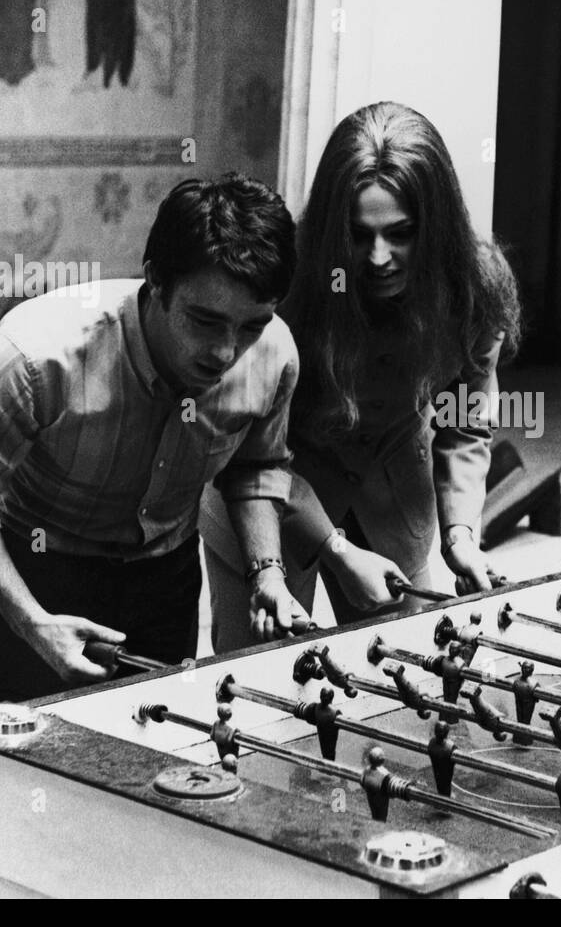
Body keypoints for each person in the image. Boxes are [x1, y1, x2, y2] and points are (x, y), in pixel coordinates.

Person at [0, 174, 309, 706]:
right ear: (155, 281)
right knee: (23, 770)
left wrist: (268, 570)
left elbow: (257, 466)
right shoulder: (35, 355)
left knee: (155, 767)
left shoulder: (275, 353)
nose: (225, 352)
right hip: (38, 573)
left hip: (166, 578)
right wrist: (32, 623)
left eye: (250, 326)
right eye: (205, 321)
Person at [199, 101, 522, 651]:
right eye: (358, 234)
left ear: (436, 226)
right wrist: (334, 547)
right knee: (260, 684)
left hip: (394, 502)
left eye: (400, 234)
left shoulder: (476, 287)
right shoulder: (286, 283)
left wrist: (462, 533)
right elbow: (252, 460)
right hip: (267, 510)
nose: (378, 257)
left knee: (411, 673)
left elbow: (464, 424)